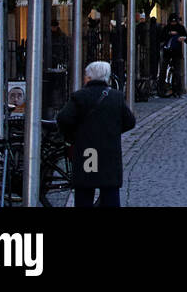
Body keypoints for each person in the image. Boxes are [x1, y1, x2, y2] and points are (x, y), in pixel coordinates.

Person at [56, 60, 136, 207]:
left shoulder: (80, 96)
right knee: (110, 189)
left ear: (89, 78)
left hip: (88, 152)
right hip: (109, 151)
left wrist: (75, 135)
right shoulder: (116, 96)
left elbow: (63, 118)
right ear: (107, 77)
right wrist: (112, 131)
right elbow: (130, 121)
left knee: (85, 189)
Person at [159, 13, 187, 97]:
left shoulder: (180, 28)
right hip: (168, 52)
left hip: (176, 53)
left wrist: (183, 38)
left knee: (177, 72)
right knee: (163, 70)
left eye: (175, 22)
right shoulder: (167, 28)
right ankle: (162, 89)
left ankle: (177, 90)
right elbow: (161, 37)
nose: (173, 24)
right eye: (172, 22)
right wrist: (169, 34)